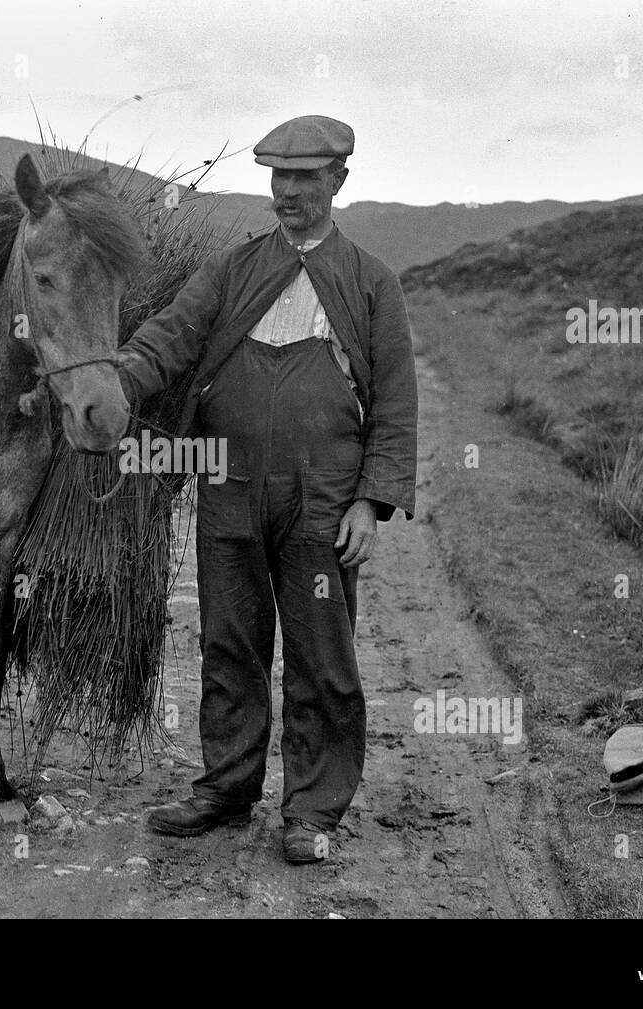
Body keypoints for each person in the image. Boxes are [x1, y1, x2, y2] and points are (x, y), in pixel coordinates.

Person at [118, 115, 418, 864]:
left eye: (304, 178)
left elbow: (396, 403)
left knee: (321, 655)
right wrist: (113, 380)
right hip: (228, 485)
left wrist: (370, 501)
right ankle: (226, 786)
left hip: (322, 500)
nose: (287, 192)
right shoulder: (231, 269)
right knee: (228, 643)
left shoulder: (372, 282)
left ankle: (312, 810)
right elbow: (170, 337)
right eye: (279, 177)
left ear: (338, 181)